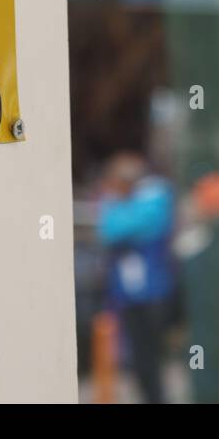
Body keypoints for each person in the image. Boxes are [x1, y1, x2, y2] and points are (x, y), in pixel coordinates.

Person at [97, 151, 175, 403]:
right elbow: (108, 230)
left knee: (150, 360)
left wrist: (116, 206)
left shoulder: (154, 200)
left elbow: (116, 230)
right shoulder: (127, 204)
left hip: (152, 294)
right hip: (130, 297)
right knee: (139, 361)